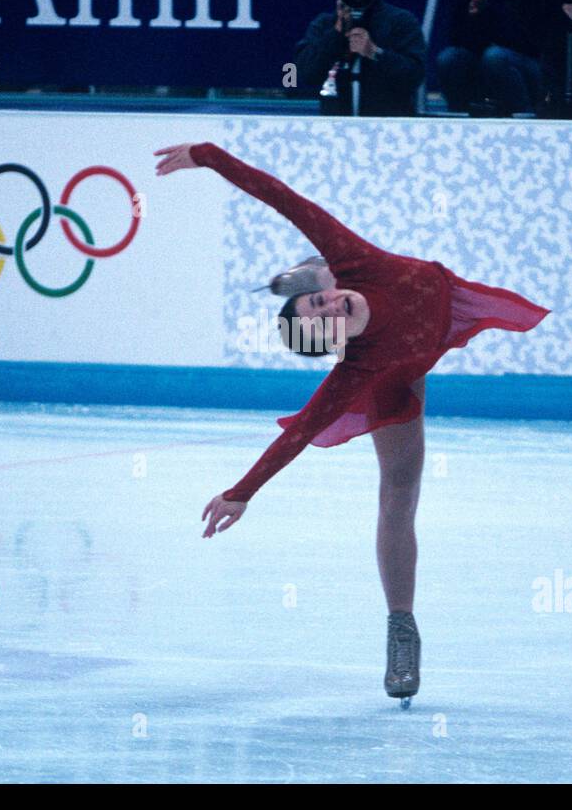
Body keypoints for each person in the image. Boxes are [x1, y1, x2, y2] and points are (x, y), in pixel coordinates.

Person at [154, 140, 550, 704]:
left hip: (437, 300)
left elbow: (284, 199)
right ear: (334, 345)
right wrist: (240, 492)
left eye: (321, 302)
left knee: (328, 259)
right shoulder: (356, 372)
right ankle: (402, 631)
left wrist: (207, 154)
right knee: (398, 495)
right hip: (398, 370)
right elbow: (297, 435)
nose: (334, 306)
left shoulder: (357, 264)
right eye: (324, 314)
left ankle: (299, 276)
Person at [292, 0, 427, 116]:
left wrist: (375, 53)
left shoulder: (400, 21)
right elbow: (305, 75)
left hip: (390, 127)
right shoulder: (324, 24)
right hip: (335, 128)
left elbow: (415, 76)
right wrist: (336, 35)